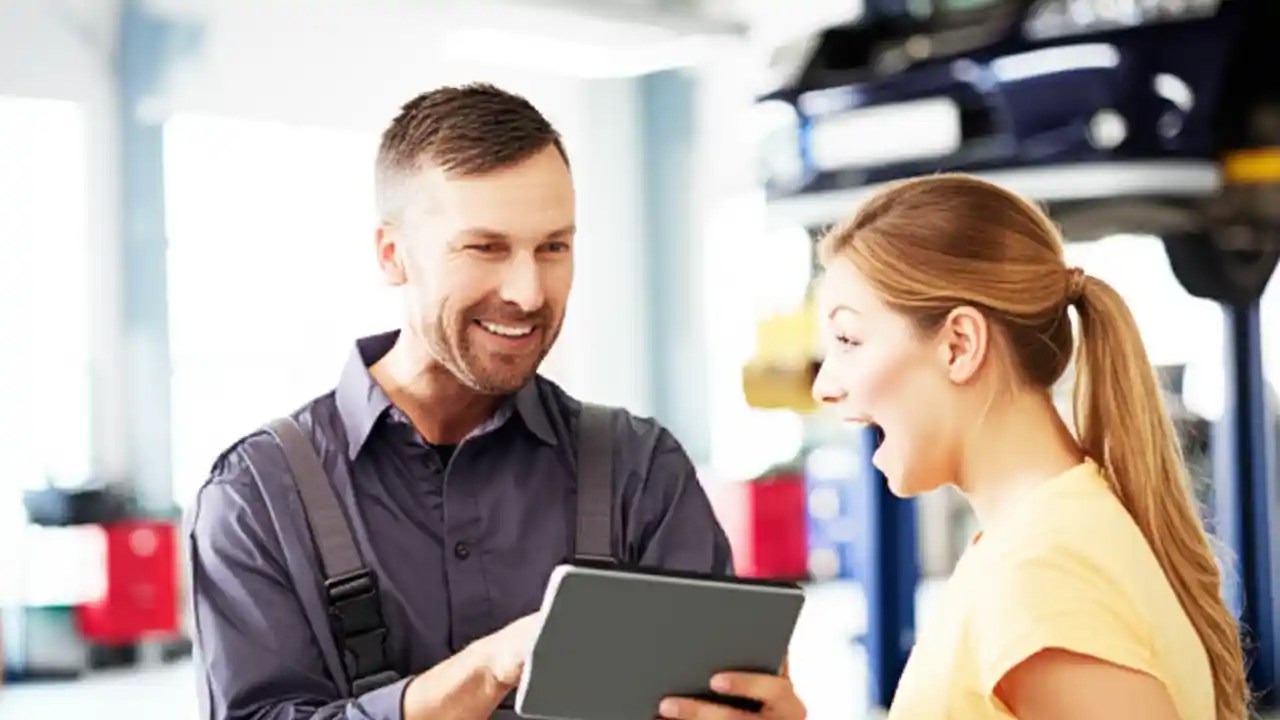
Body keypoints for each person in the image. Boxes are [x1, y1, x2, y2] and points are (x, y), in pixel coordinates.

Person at [186, 83, 805, 720]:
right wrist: (485, 670)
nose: (529, 292)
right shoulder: (256, 496)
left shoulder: (641, 472)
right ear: (393, 255)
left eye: (553, 247)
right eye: (486, 247)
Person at [809, 174, 1249, 719]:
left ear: (959, 345)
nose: (823, 385)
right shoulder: (1043, 540)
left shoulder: (1041, 573)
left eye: (849, 340)